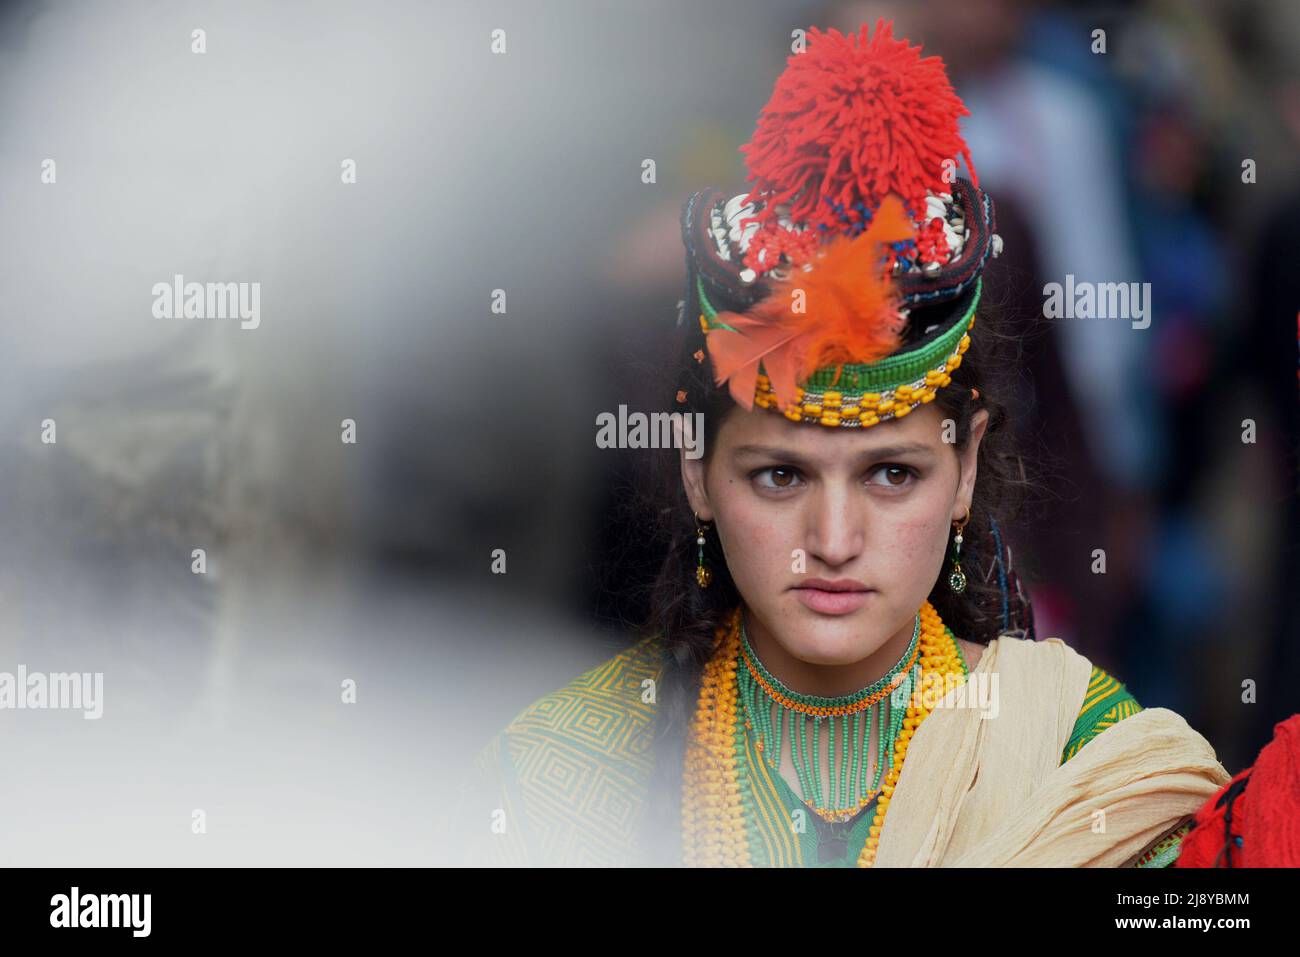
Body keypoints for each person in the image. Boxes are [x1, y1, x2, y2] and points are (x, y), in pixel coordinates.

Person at [451, 20, 1229, 868]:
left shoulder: (1087, 767)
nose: (832, 540)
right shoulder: (556, 779)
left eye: (892, 473)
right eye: (779, 475)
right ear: (698, 474)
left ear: (966, 469)